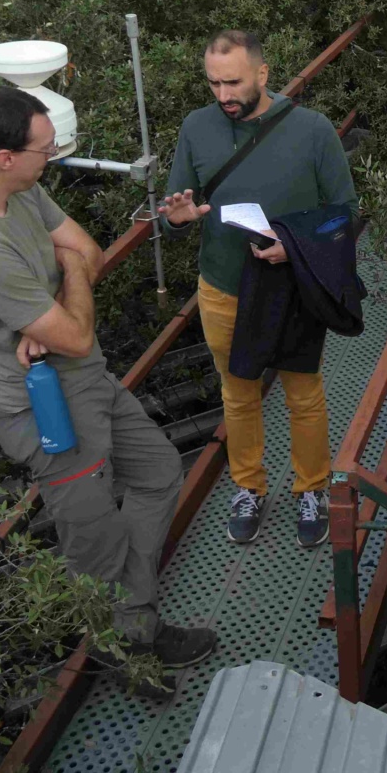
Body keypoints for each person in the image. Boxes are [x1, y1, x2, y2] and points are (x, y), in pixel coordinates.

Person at [0, 87, 216, 695]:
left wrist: (63, 296)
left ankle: (132, 615)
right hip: (45, 408)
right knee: (94, 543)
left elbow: (86, 251)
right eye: (43, 148)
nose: (53, 155)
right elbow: (78, 333)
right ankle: (126, 652)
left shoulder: (19, 188)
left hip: (85, 379)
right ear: (4, 156)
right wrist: (68, 305)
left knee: (160, 471)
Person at [156, 30, 358, 549]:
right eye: (213, 83)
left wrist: (295, 248)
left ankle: (310, 488)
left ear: (263, 75)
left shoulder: (312, 131)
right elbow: (183, 204)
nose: (223, 95)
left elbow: (344, 212)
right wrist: (177, 219)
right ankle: (249, 486)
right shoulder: (196, 128)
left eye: (234, 82)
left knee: (302, 392)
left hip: (292, 285)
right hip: (223, 285)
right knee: (237, 390)